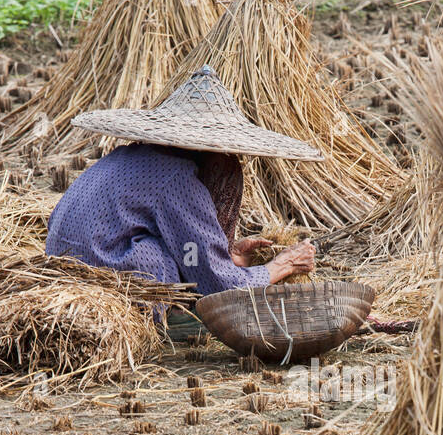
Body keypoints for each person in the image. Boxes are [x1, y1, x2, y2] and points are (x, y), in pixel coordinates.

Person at [46, 66, 319, 297]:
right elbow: (221, 286)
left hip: (58, 263)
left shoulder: (127, 155)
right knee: (164, 263)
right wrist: (282, 265)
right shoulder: (177, 178)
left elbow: (189, 248)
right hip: (100, 277)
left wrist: (223, 253)